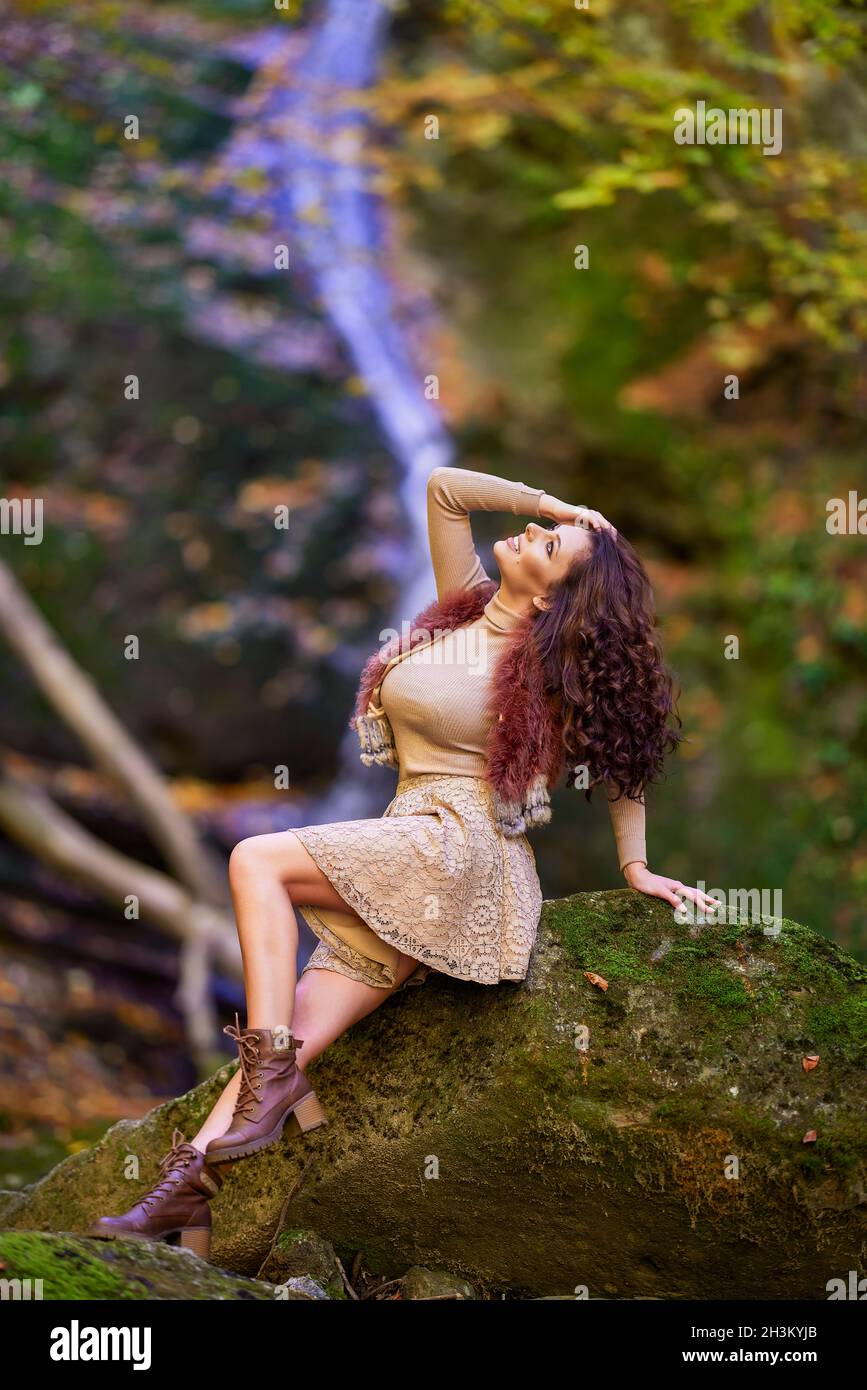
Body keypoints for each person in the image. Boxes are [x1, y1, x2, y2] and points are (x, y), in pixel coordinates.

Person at [88, 466, 714, 1259]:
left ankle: (270, 1075)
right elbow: (445, 489)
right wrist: (550, 506)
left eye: (548, 546)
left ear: (556, 597)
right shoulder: (468, 603)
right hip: (408, 842)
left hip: (461, 853)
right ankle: (176, 1208)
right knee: (300, 1033)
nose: (529, 534)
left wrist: (636, 868)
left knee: (256, 859)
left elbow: (628, 758)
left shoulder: (551, 667)